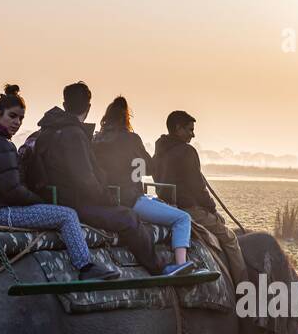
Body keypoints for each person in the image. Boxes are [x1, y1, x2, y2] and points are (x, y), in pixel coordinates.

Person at [0, 84, 118, 281]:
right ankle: (85, 267)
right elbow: (13, 191)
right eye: (12, 116)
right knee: (67, 215)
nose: (17, 122)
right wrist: (42, 202)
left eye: (21, 118)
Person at [34, 83, 189, 276]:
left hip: (57, 199)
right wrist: (108, 199)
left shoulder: (46, 132)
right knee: (128, 217)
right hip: (76, 201)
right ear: (88, 107)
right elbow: (85, 179)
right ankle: (158, 268)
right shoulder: (74, 134)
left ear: (64, 104)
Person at [93, 95, 195, 275]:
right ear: (126, 117)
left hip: (105, 201)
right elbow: (149, 166)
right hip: (131, 200)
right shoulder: (130, 139)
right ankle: (181, 264)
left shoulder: (96, 140)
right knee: (182, 218)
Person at [152, 110, 247, 286]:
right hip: (189, 209)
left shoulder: (158, 151)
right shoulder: (187, 151)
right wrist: (212, 210)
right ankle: (242, 287)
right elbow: (198, 188)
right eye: (189, 130)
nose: (192, 134)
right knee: (230, 238)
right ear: (178, 128)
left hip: (167, 208)